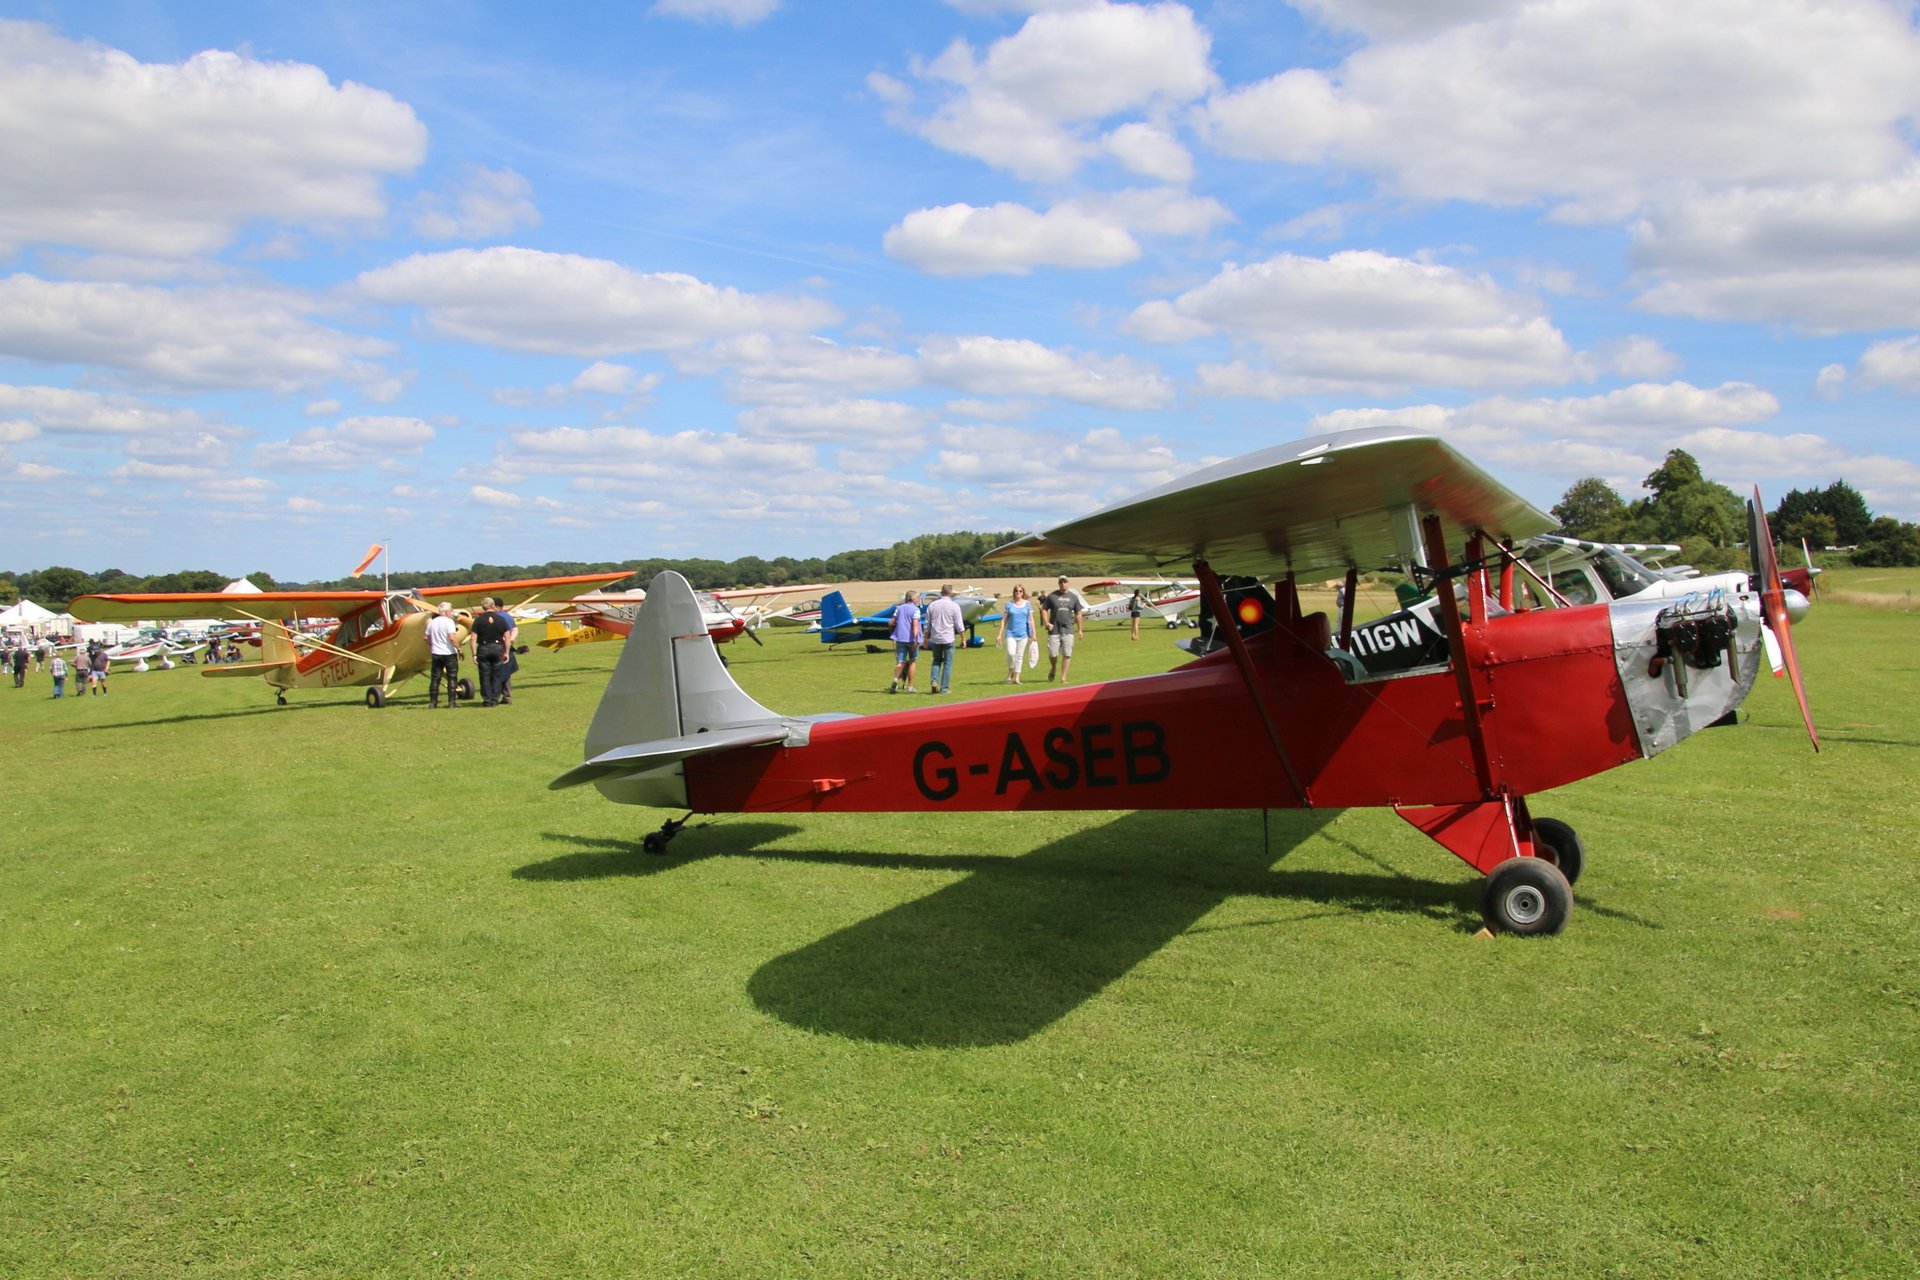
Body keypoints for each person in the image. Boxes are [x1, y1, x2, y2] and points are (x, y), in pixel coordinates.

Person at [469, 595, 515, 707]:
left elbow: (473, 638)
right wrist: (506, 652)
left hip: (483, 648)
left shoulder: (478, 620)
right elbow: (507, 637)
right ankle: (495, 699)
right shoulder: (501, 619)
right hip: (498, 647)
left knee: (484, 675)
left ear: (483, 607)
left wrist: (474, 654)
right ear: (493, 606)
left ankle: (487, 699)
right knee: (496, 675)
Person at [1040, 575, 1084, 684]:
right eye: (1061, 582)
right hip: (1054, 629)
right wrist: (1046, 622)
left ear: (1068, 583)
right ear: (1058, 583)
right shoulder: (1052, 596)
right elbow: (1044, 609)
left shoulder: (1073, 597)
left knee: (1067, 654)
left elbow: (1078, 613)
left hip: (1068, 629)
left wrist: (1080, 629)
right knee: (1053, 654)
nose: (1063, 584)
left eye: (1065, 582)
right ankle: (1053, 667)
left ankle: (1063, 677)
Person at [923, 584, 965, 695]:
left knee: (936, 660)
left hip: (935, 638)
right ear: (951, 593)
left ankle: (934, 681)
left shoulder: (932, 605)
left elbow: (927, 624)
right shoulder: (954, 606)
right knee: (947, 663)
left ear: (941, 593)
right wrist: (963, 639)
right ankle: (944, 688)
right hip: (948, 639)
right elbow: (959, 625)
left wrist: (925, 638)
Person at [995, 584, 1035, 684]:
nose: (1018, 593)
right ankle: (1010, 670)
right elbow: (1004, 620)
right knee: (1011, 653)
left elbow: (1031, 620)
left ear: (1023, 592)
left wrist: (1034, 633)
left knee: (1019, 656)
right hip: (1011, 633)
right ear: (1014, 592)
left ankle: (1017, 677)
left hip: (1023, 634)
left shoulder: (1027, 604)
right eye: (1016, 591)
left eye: (1020, 591)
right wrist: (999, 634)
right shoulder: (1009, 604)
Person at [425, 602, 462, 708]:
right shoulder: (449, 622)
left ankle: (433, 703)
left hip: (436, 653)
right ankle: (452, 702)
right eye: (450, 610)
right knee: (452, 677)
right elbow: (452, 637)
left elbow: (426, 637)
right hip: (448, 653)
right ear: (446, 612)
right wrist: (459, 649)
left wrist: (432, 645)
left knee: (435, 678)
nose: (451, 612)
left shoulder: (432, 622)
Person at [888, 590, 922, 694]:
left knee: (900, 662)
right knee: (912, 661)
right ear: (914, 599)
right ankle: (910, 687)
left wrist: (892, 629)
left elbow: (891, 623)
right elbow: (915, 624)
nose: (918, 600)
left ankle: (895, 680)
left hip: (900, 638)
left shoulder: (899, 608)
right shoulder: (916, 610)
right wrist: (916, 638)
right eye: (917, 598)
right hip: (911, 639)